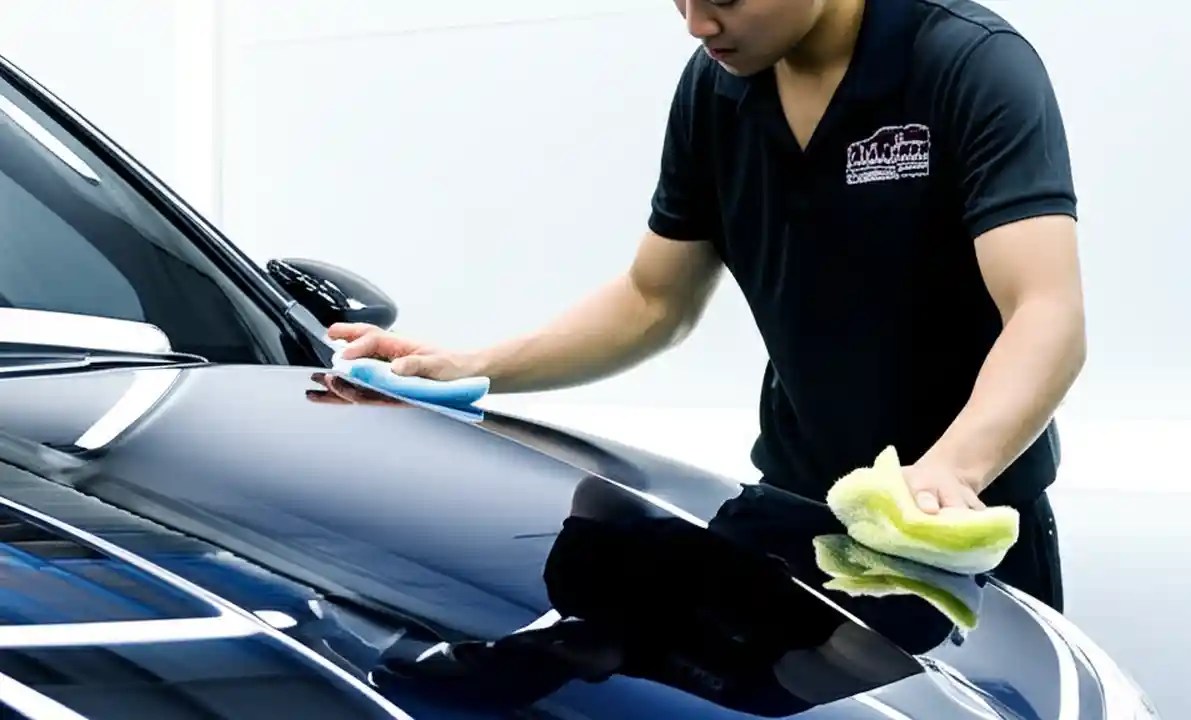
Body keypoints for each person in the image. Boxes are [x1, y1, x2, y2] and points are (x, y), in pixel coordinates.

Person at [328, 0, 1085, 612]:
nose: (696, 23)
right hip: (797, 507)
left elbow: (1046, 313)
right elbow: (653, 301)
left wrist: (950, 471)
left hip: (959, 527)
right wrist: (468, 365)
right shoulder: (714, 89)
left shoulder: (970, 63)